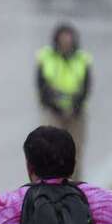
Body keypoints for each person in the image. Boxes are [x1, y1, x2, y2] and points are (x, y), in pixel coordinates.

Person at [36, 22, 91, 170]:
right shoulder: (46, 57)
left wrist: (75, 107)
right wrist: (54, 106)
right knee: (50, 151)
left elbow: (86, 87)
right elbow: (42, 86)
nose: (66, 42)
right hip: (53, 112)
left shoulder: (82, 59)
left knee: (74, 152)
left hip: (76, 113)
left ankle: (73, 182)